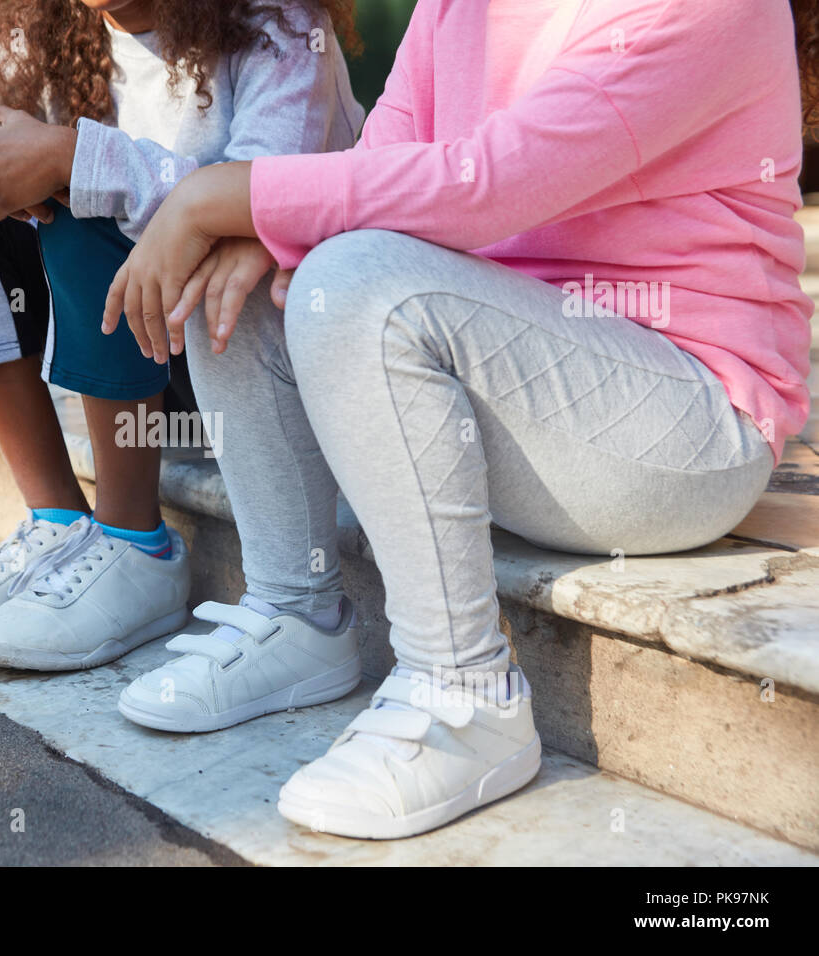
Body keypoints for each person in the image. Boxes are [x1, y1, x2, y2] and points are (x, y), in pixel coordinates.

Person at [106, 0, 814, 838]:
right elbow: (386, 161)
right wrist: (236, 220)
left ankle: (464, 694)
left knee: (337, 265)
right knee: (240, 259)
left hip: (684, 423)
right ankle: (297, 613)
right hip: (516, 374)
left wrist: (216, 198)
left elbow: (493, 181)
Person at [0, 0, 363, 670]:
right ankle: (60, 522)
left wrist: (70, 155)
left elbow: (268, 189)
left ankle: (134, 542)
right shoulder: (56, 36)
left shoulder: (280, 28)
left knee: (77, 185)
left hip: (264, 373)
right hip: (154, 370)